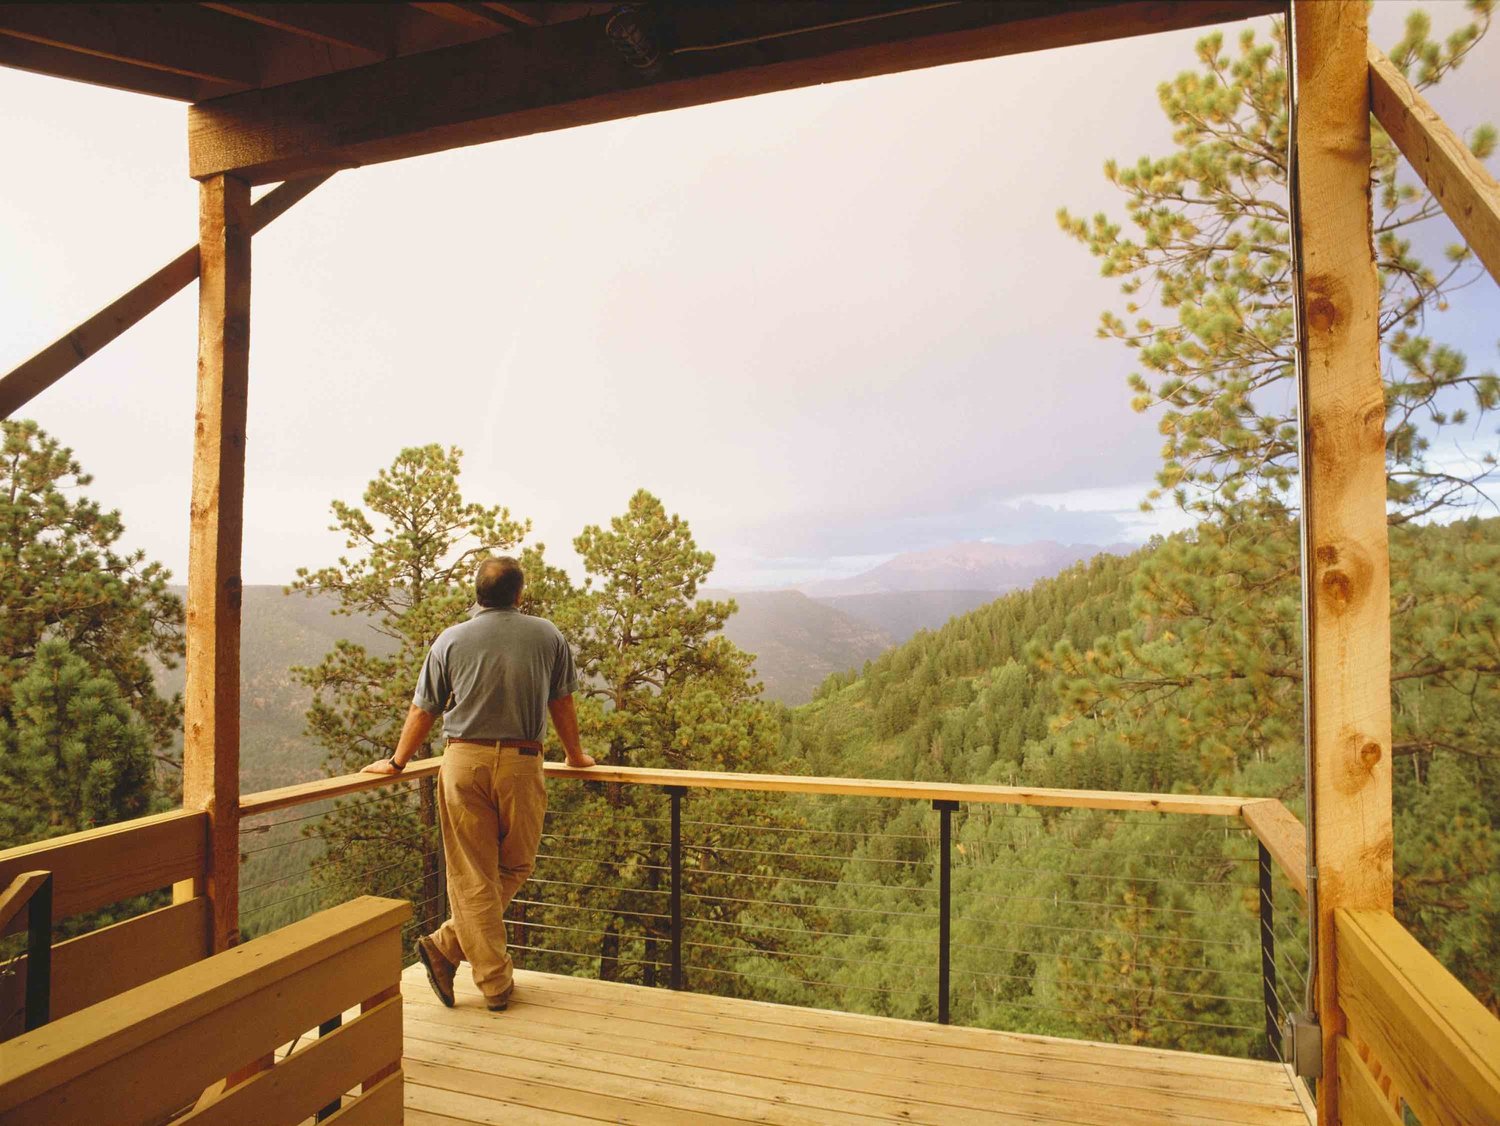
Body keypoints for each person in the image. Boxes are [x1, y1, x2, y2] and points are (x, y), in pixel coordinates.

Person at [362, 555, 595, 1012]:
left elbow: (424, 708)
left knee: (473, 875)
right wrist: (574, 755)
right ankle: (493, 982)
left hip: (462, 762)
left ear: (477, 594)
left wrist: (397, 761)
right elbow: (562, 702)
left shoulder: (450, 639)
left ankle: (447, 945)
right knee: (516, 864)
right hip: (522, 762)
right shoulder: (547, 635)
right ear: (519, 593)